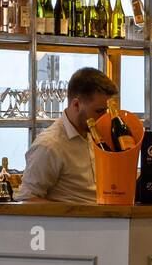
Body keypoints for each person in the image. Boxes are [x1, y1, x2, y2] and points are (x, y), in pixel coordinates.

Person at [17, 67, 117, 204]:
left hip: (105, 221)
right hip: (74, 223)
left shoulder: (95, 134)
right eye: (99, 111)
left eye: (107, 111)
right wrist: (73, 215)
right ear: (76, 105)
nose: (105, 118)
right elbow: (27, 199)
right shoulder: (49, 144)